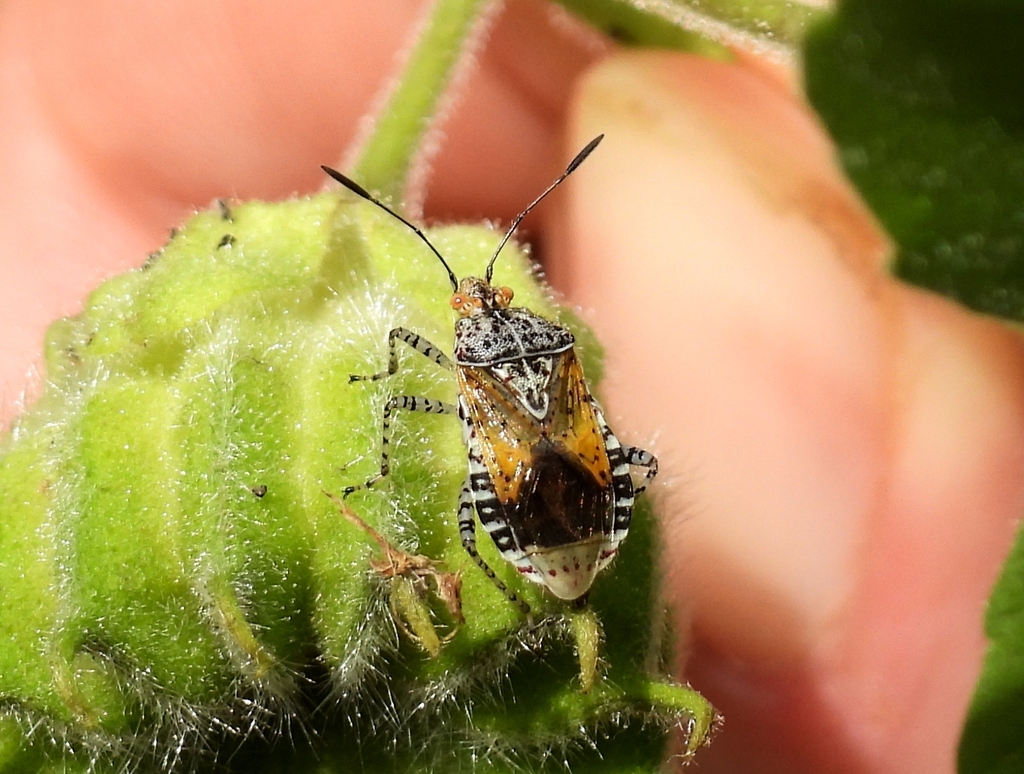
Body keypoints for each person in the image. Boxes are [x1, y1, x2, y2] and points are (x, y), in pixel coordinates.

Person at [1, 2, 1019, 772]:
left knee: (455, 445)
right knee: (585, 459)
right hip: (566, 519)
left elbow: (417, 404)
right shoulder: (546, 354)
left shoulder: (468, 364)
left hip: (545, 529)